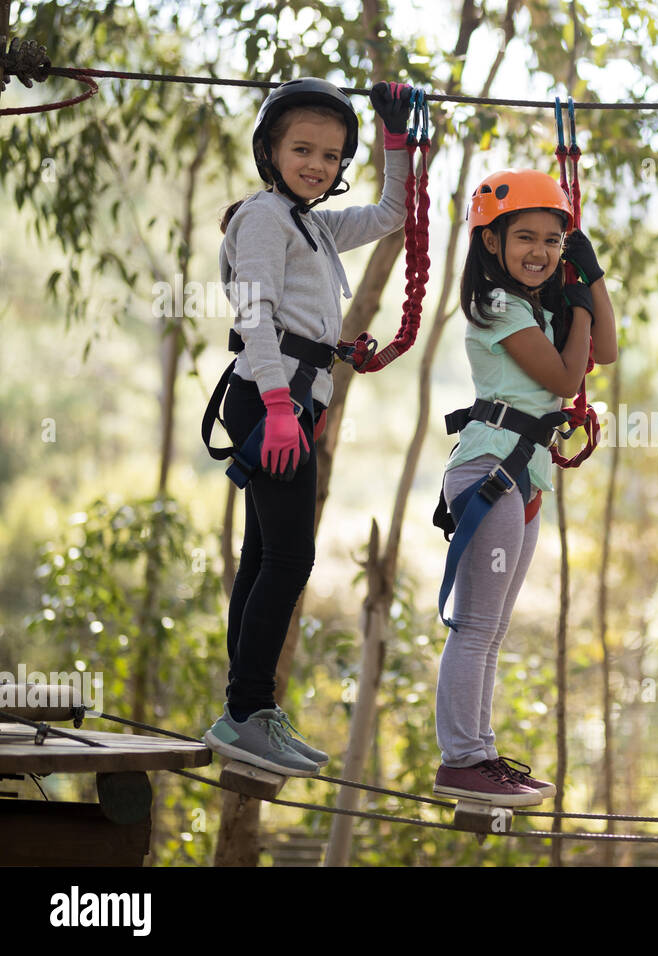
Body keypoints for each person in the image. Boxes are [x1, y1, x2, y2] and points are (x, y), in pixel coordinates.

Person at [202, 78, 414, 776]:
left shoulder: (313, 225)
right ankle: (245, 711)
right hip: (273, 399)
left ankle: (247, 711)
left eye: (331, 155)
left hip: (293, 398)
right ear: (269, 150)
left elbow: (390, 213)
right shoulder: (264, 217)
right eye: (302, 149)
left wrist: (395, 141)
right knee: (290, 560)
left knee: (266, 558)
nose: (317, 165)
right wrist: (280, 407)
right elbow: (254, 315)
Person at [431, 169, 616, 806]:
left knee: (493, 626)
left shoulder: (537, 305)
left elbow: (607, 352)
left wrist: (588, 279)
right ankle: (462, 757)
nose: (539, 252)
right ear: (492, 244)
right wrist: (582, 305)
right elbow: (569, 379)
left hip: (524, 472)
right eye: (524, 238)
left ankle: (477, 752)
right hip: (492, 470)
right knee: (477, 626)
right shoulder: (498, 306)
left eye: (553, 241)